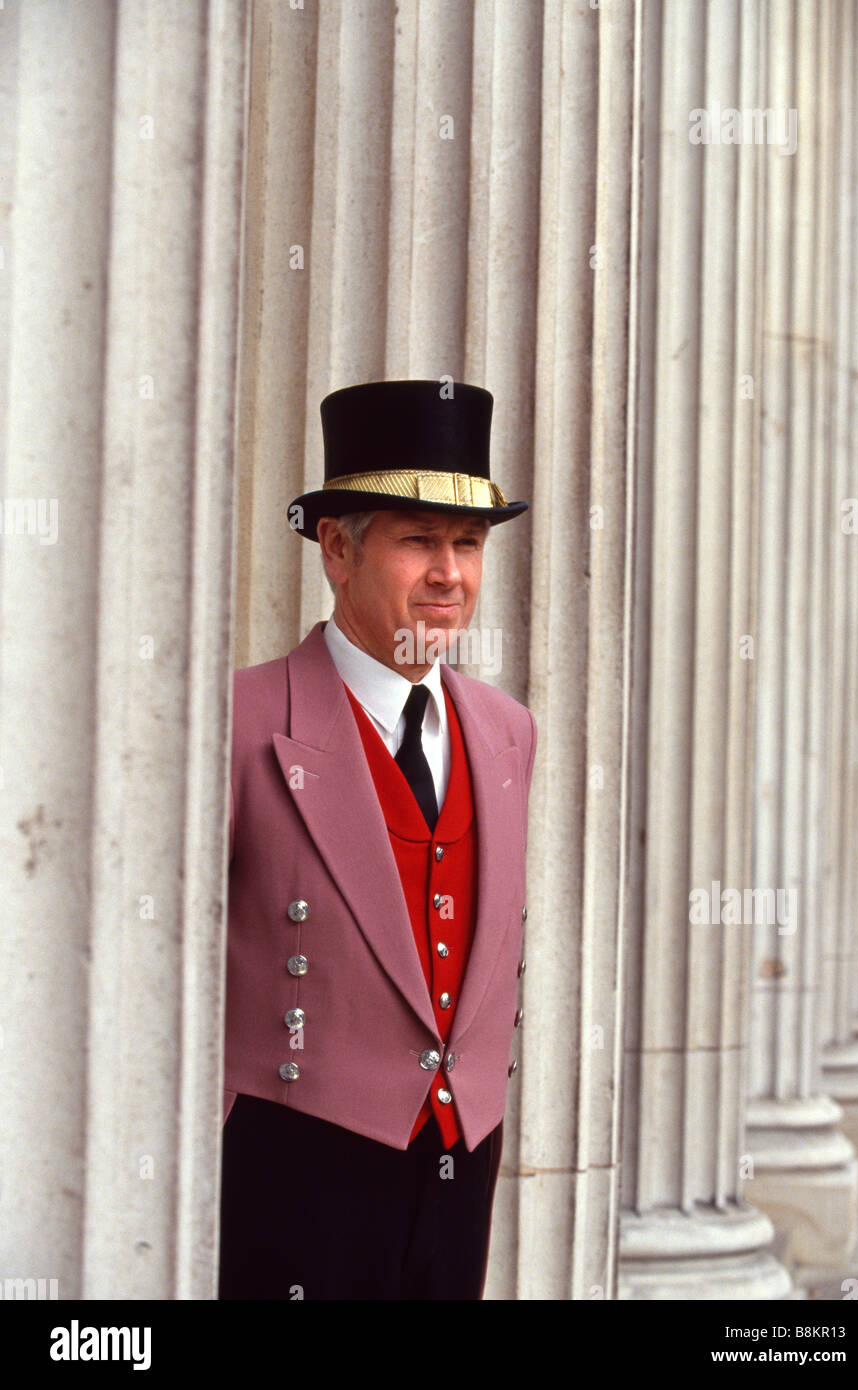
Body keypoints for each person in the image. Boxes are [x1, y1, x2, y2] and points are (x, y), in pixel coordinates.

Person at [218, 379, 536, 1300]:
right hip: (295, 1161)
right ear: (337, 551)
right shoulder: (238, 721)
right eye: (419, 542)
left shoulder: (509, 730)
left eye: (468, 545)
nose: (451, 575)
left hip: (460, 1157)